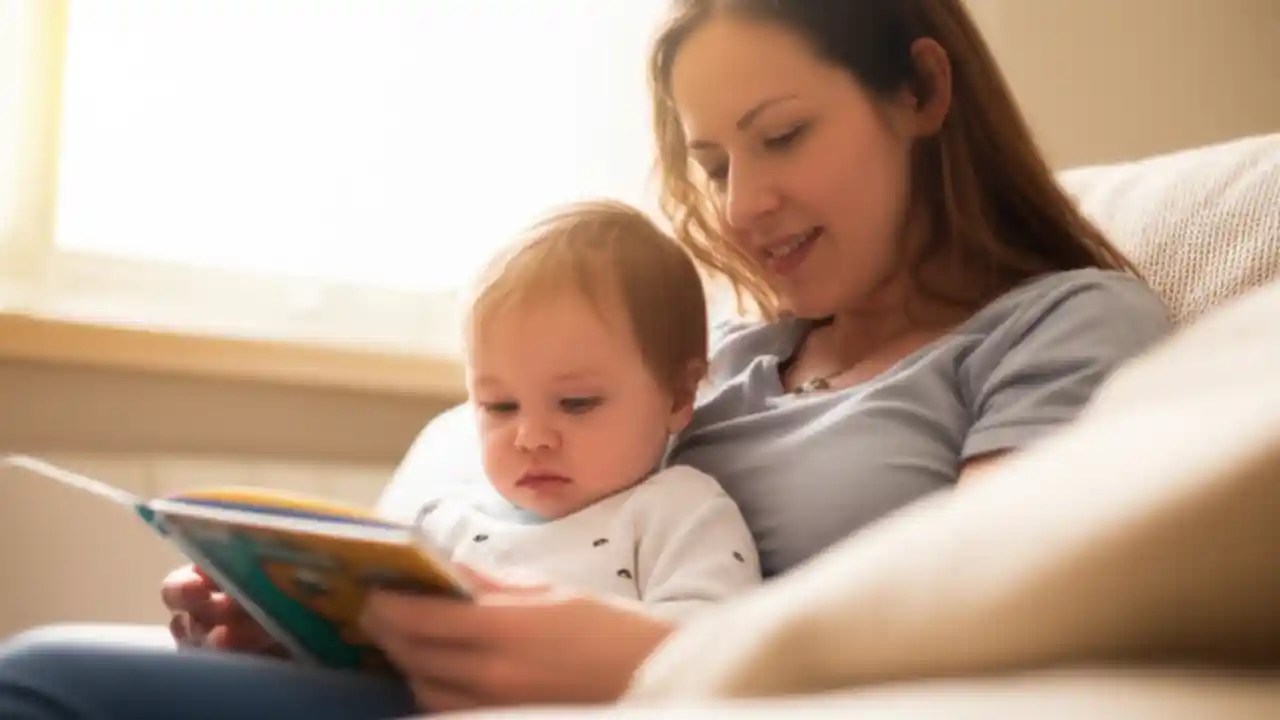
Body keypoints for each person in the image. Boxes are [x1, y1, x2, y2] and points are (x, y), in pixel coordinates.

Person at [0, 1, 1172, 717]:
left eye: (781, 136)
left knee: (42, 682)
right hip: (454, 691)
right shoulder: (720, 357)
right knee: (46, 671)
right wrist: (316, 615)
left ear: (919, 89)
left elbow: (991, 624)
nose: (745, 203)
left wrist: (641, 659)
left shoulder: (1059, 328)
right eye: (712, 162)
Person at [410, 200, 760, 617]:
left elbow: (717, 646)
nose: (532, 438)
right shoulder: (447, 523)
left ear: (680, 395)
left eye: (576, 404)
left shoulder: (679, 512)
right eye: (500, 406)